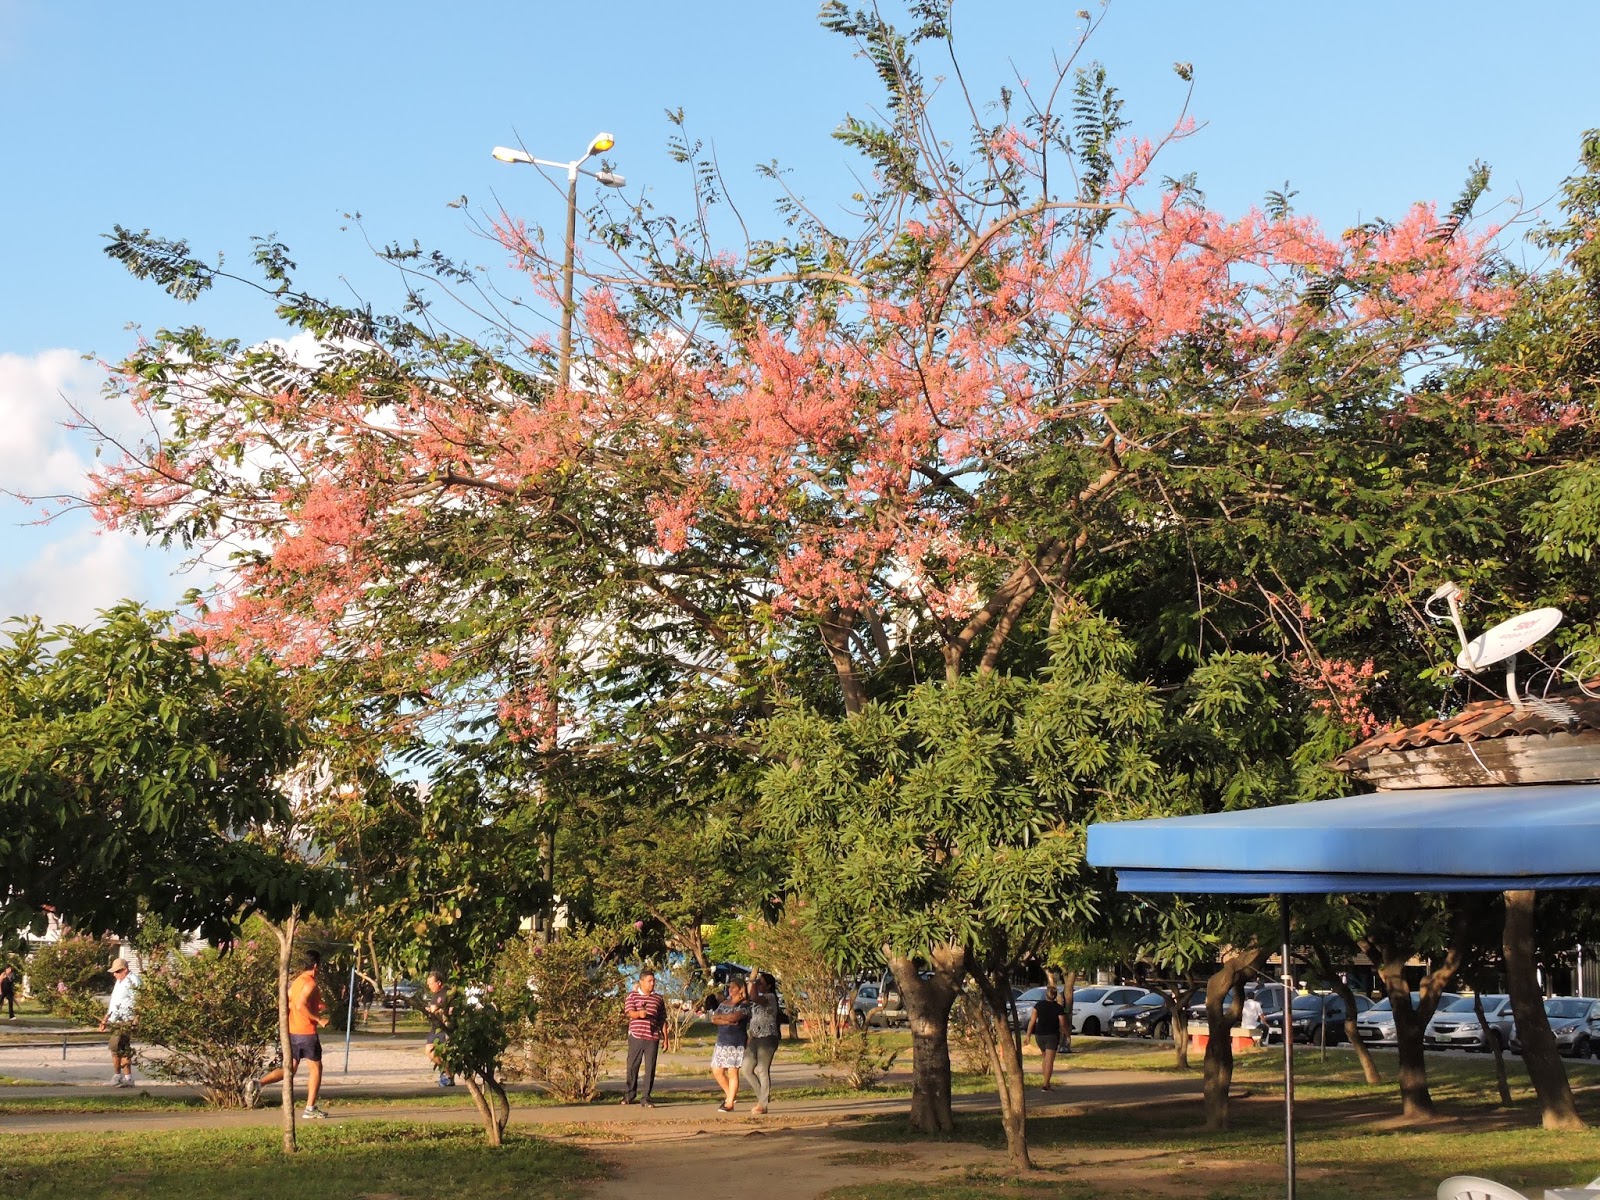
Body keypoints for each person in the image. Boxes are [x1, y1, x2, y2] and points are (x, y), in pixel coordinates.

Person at [251, 950, 330, 1118]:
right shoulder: (310, 983)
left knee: (290, 1068)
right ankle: (310, 1108)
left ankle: (258, 1083)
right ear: (316, 966)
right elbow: (301, 1005)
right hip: (307, 1032)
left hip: (293, 1032)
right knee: (316, 1069)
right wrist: (319, 1019)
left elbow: (289, 1003)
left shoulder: (296, 983)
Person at [622, 969, 667, 1107]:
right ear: (641, 982)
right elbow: (629, 1012)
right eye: (649, 981)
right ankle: (630, 1094)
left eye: (653, 981)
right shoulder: (632, 996)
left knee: (650, 1068)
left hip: (652, 1037)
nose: (652, 984)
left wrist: (666, 1038)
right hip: (636, 1035)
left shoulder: (658, 998)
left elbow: (663, 1019)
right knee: (632, 1065)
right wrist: (639, 1014)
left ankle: (646, 1097)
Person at [708, 978, 750, 1113]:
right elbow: (714, 1018)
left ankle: (729, 1103)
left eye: (733, 987)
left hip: (736, 1042)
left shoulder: (744, 1005)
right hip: (721, 1041)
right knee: (717, 1070)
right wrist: (726, 1020)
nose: (730, 990)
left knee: (732, 1071)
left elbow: (735, 1017)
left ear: (741, 989)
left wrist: (724, 1018)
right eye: (729, 987)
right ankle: (730, 1094)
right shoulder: (725, 1003)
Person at [742, 971, 781, 1115]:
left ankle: (763, 1104)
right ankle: (762, 1097)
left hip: (768, 1036)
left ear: (769, 986)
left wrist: (752, 980)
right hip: (755, 1036)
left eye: (761, 983)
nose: (758, 985)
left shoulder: (769, 997)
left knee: (761, 1069)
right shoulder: (757, 999)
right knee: (746, 1069)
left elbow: (753, 996)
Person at [98, 957, 138, 1087]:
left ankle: (120, 1076)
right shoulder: (119, 982)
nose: (114, 974)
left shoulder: (133, 981)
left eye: (117, 971)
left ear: (124, 970)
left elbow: (140, 1000)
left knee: (116, 1048)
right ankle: (126, 1078)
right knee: (122, 1049)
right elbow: (114, 1003)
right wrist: (105, 1019)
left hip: (126, 1020)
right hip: (116, 1020)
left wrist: (136, 1018)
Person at [1025, 985, 1068, 1091]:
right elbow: (1062, 1023)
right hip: (1052, 1035)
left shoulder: (1038, 1005)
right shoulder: (1058, 1008)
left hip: (1039, 1035)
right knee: (1049, 1059)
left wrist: (1028, 1035)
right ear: (1055, 996)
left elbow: (1032, 1021)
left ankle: (1046, 1082)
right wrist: (1067, 1034)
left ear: (1046, 994)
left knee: (1045, 1058)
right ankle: (1045, 1084)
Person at [424, 970, 454, 1087]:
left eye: (431, 983)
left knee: (439, 1052)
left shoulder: (447, 993)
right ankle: (445, 1072)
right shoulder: (435, 994)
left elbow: (451, 1011)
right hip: (435, 1028)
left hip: (443, 1028)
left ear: (439, 983)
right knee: (429, 1051)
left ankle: (448, 1075)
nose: (429, 986)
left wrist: (441, 1011)